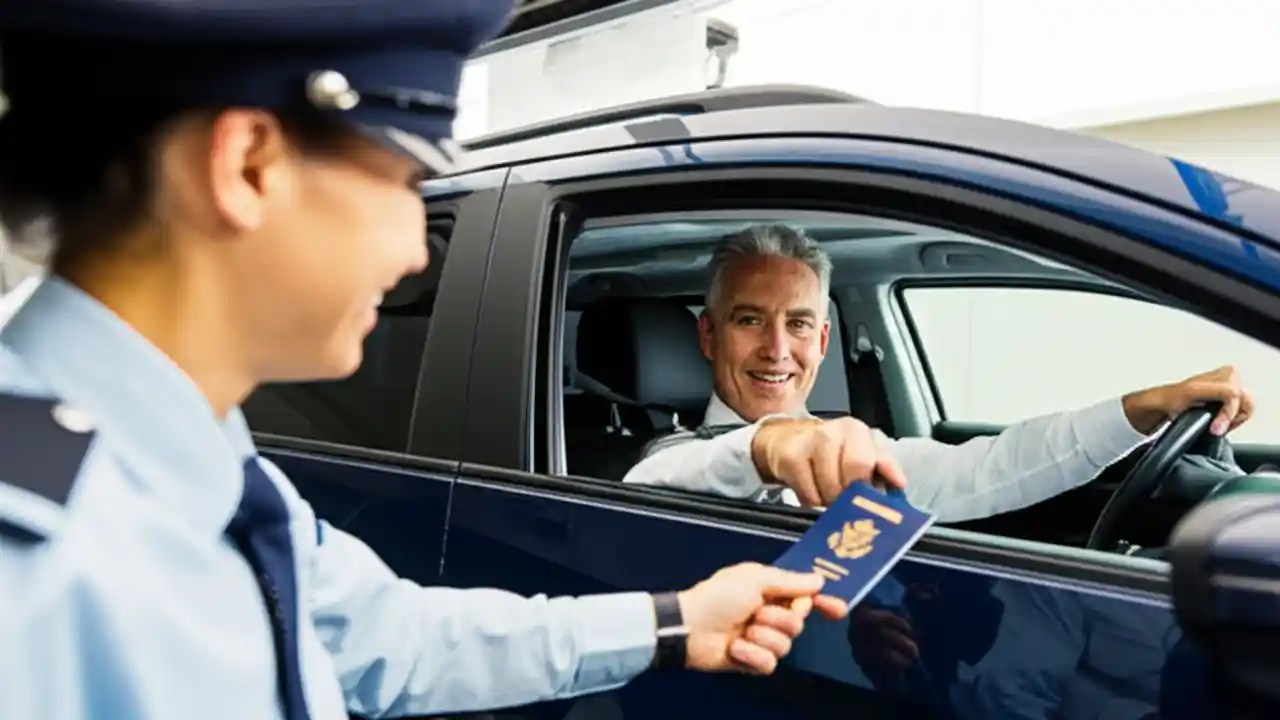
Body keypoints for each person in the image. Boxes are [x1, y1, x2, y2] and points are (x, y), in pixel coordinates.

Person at [0, 4, 849, 719]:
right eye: (405, 183)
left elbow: (381, 639)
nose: (417, 249)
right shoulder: (25, 550)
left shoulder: (198, 450)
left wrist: (678, 623)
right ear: (248, 167)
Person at [622, 224, 1254, 520]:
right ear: (708, 336)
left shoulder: (859, 453)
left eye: (796, 326)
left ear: (821, 341)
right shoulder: (672, 460)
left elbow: (996, 465)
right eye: (749, 321)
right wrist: (768, 445)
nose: (775, 350)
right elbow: (658, 482)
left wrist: (1143, 408)